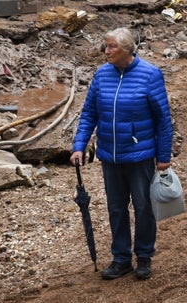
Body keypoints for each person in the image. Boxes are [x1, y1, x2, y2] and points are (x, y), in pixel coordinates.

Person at [70, 28, 173, 281]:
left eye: (111, 47)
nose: (106, 52)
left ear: (127, 49)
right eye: (105, 46)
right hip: (110, 157)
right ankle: (121, 258)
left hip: (140, 157)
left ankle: (144, 256)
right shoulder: (102, 75)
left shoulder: (150, 75)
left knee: (143, 207)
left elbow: (163, 120)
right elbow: (89, 113)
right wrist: (79, 146)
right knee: (116, 208)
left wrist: (163, 157)